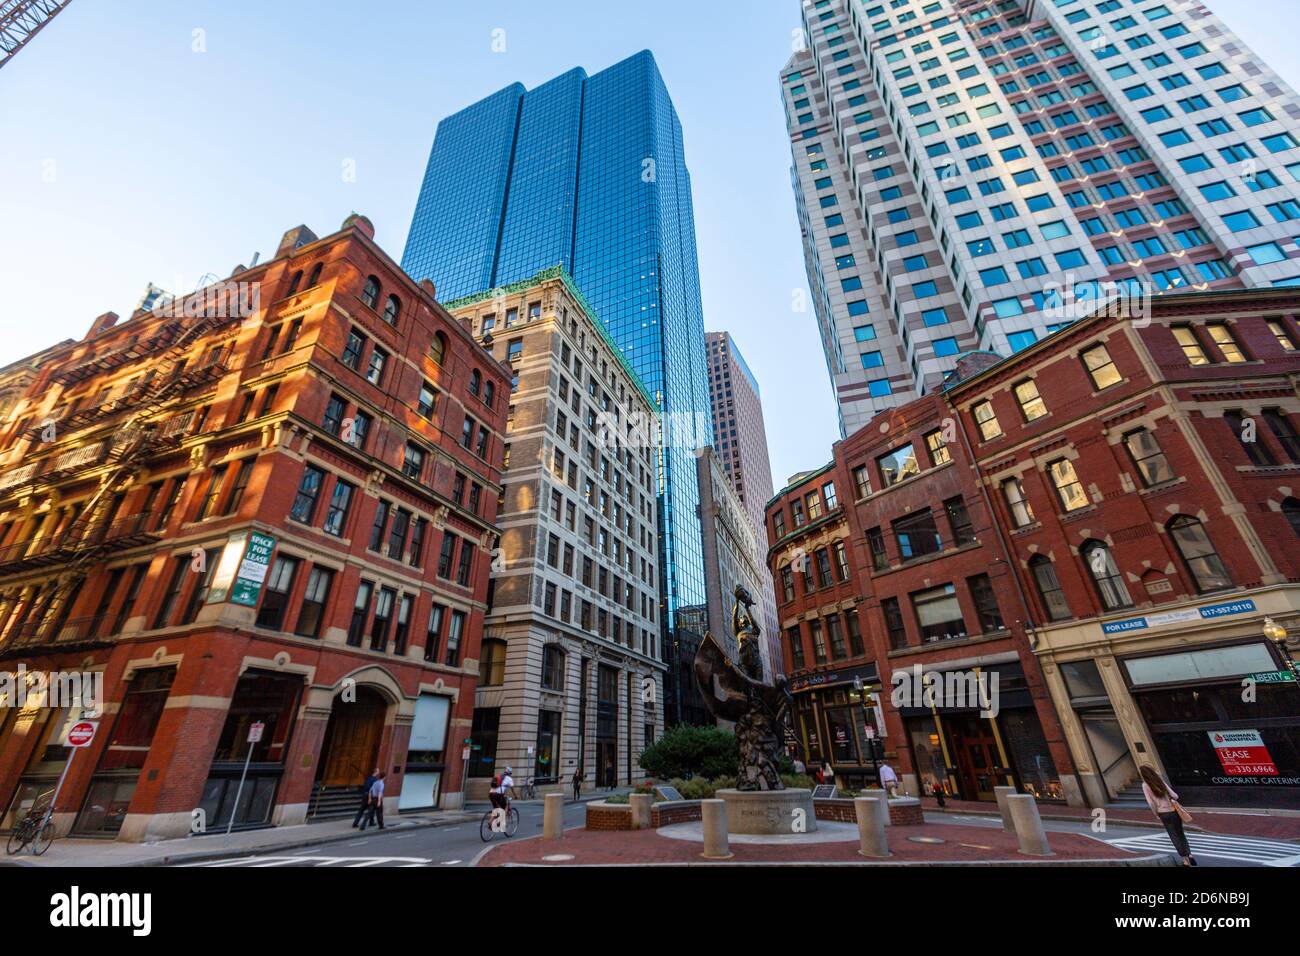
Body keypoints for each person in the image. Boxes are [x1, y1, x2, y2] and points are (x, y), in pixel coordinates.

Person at [1140, 765, 1196, 866]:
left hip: (1163, 813)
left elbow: (1151, 803)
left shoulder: (1145, 785)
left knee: (1173, 836)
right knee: (1180, 834)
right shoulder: (1160, 781)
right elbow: (1175, 796)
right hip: (1173, 811)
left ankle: (1185, 860)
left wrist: (1156, 813)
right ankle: (1190, 855)